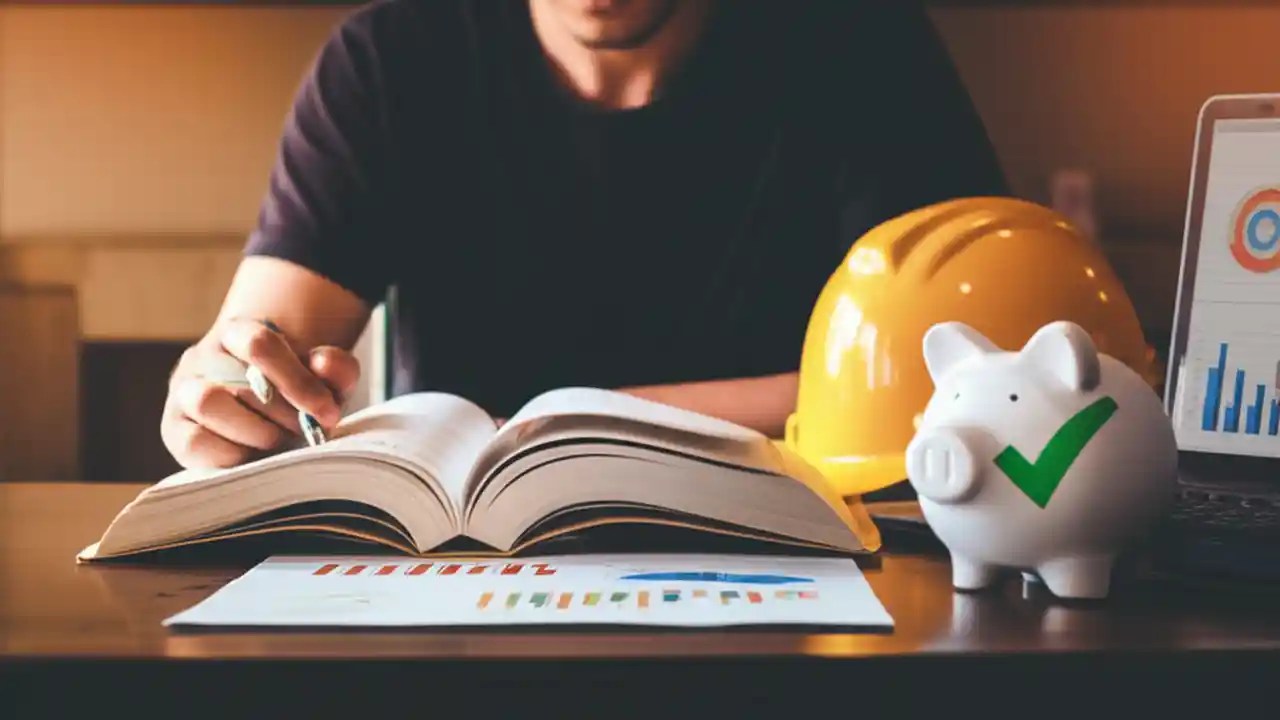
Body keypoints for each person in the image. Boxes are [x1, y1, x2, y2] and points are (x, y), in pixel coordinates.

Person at [161, 0, 1008, 469]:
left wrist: (534, 422)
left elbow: (977, 375)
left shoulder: (857, 43)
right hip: (472, 580)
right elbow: (260, 358)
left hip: (806, 565)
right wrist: (227, 400)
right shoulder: (390, 62)